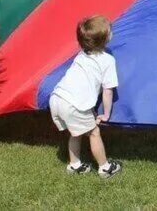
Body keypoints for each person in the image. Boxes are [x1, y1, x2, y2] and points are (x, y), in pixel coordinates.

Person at [48, 15, 122, 179]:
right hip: (74, 105)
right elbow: (108, 90)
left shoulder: (81, 55)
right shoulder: (107, 60)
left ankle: (75, 165)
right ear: (105, 39)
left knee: (75, 133)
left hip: (57, 98)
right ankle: (105, 168)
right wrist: (107, 113)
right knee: (94, 133)